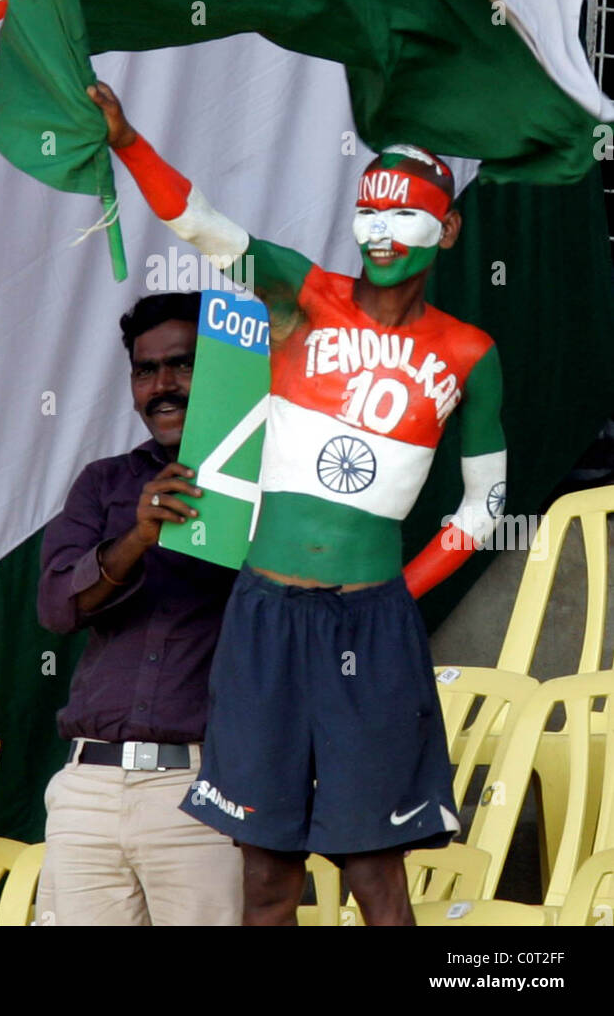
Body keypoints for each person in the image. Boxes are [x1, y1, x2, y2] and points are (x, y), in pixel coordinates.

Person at [87, 79, 507, 927]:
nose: (383, 231)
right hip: (264, 618)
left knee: (374, 877)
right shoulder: (300, 296)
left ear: (447, 227)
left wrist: (396, 598)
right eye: (370, 211)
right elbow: (202, 223)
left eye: (407, 212)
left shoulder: (470, 351)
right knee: (268, 879)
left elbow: (485, 502)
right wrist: (128, 140)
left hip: (372, 625)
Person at [35, 291, 243, 926]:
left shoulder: (265, 483)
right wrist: (137, 538)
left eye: (183, 365)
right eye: (146, 370)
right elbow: (56, 608)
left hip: (201, 785)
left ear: (222, 375)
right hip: (87, 787)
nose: (164, 385)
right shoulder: (105, 483)